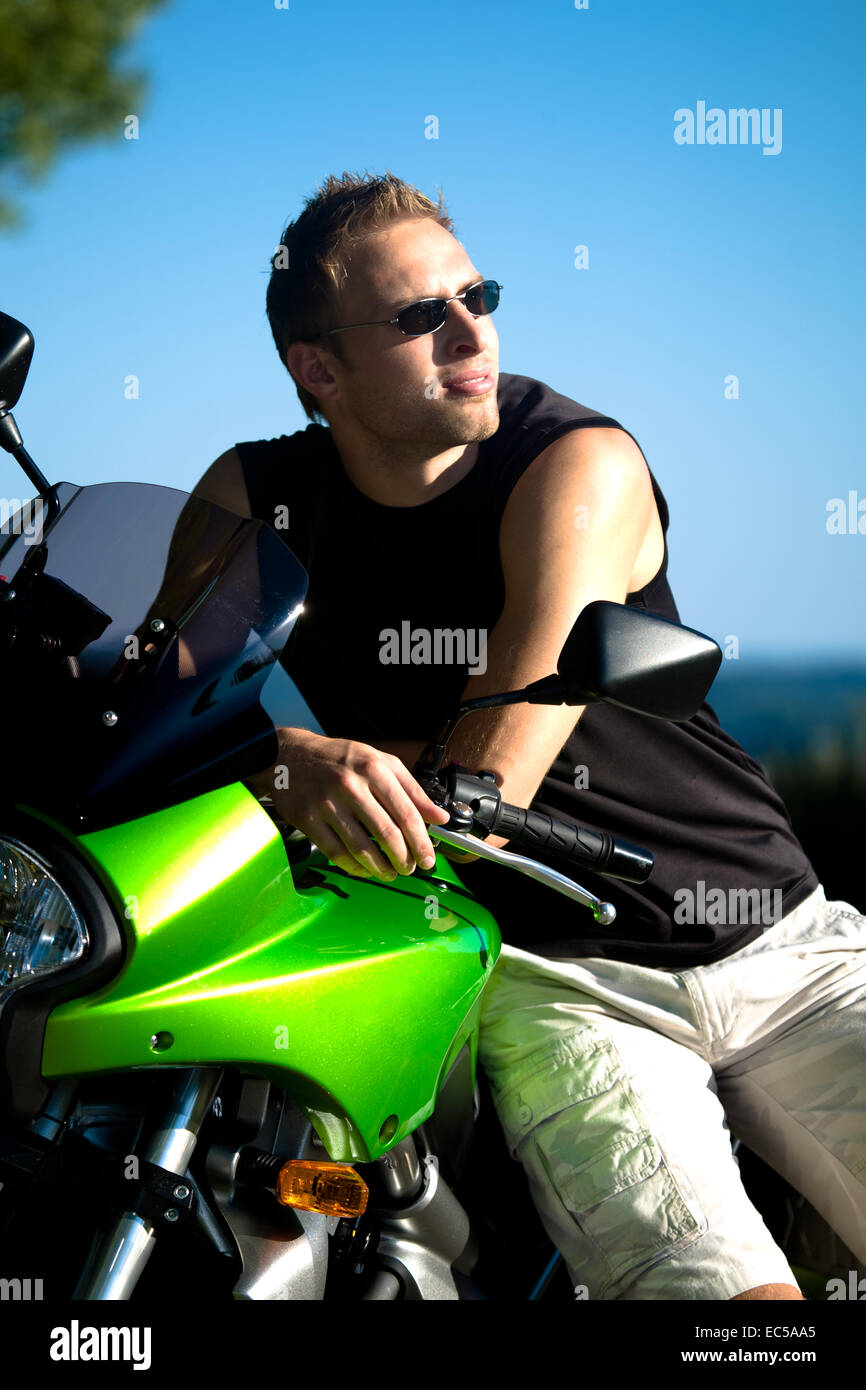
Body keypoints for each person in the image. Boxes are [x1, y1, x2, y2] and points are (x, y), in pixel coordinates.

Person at [193, 170, 866, 1301]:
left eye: (478, 294)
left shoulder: (574, 463)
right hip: (554, 977)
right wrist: (282, 757)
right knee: (725, 1311)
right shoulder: (254, 499)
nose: (472, 333)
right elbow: (152, 705)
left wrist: (282, 773)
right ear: (318, 369)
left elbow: (492, 775)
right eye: (420, 316)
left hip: (776, 941)